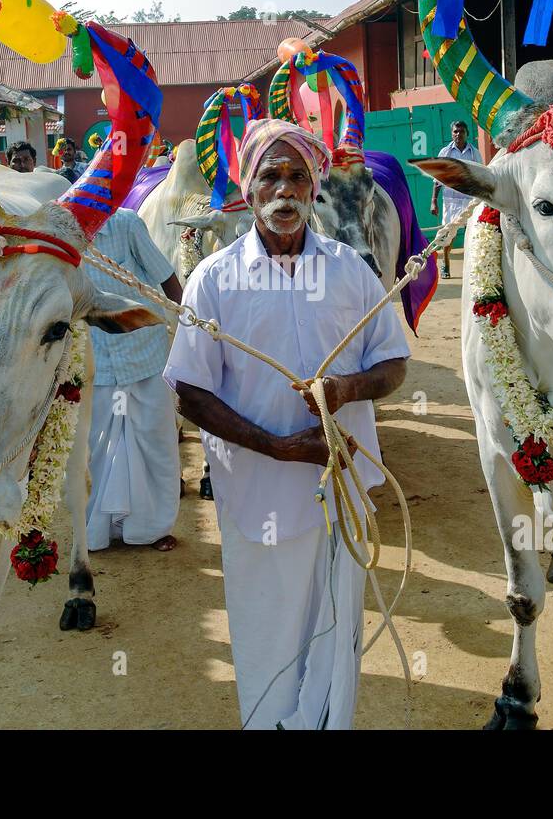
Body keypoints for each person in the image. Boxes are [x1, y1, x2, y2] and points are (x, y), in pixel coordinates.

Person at [164, 119, 409, 729]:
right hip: (258, 493)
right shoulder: (213, 280)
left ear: (314, 186)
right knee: (269, 633)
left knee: (336, 634)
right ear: (248, 189)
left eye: (298, 176)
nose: (284, 190)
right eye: (269, 176)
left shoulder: (352, 270)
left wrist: (347, 388)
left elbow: (394, 360)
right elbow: (188, 391)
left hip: (342, 492)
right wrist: (275, 447)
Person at [84, 207, 186, 551]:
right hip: (99, 359)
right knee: (99, 447)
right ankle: (103, 531)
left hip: (144, 352)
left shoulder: (126, 223)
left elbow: (168, 279)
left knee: (155, 444)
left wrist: (192, 328)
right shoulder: (65, 235)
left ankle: (154, 528)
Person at [428, 120, 480, 278]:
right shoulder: (445, 152)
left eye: (461, 131)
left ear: (467, 134)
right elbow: (438, 179)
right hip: (451, 201)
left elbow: (479, 175)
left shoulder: (474, 153)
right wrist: (433, 201)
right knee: (448, 234)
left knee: (472, 233)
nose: (458, 134)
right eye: (455, 131)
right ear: (452, 133)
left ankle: (473, 266)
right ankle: (446, 264)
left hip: (470, 201)